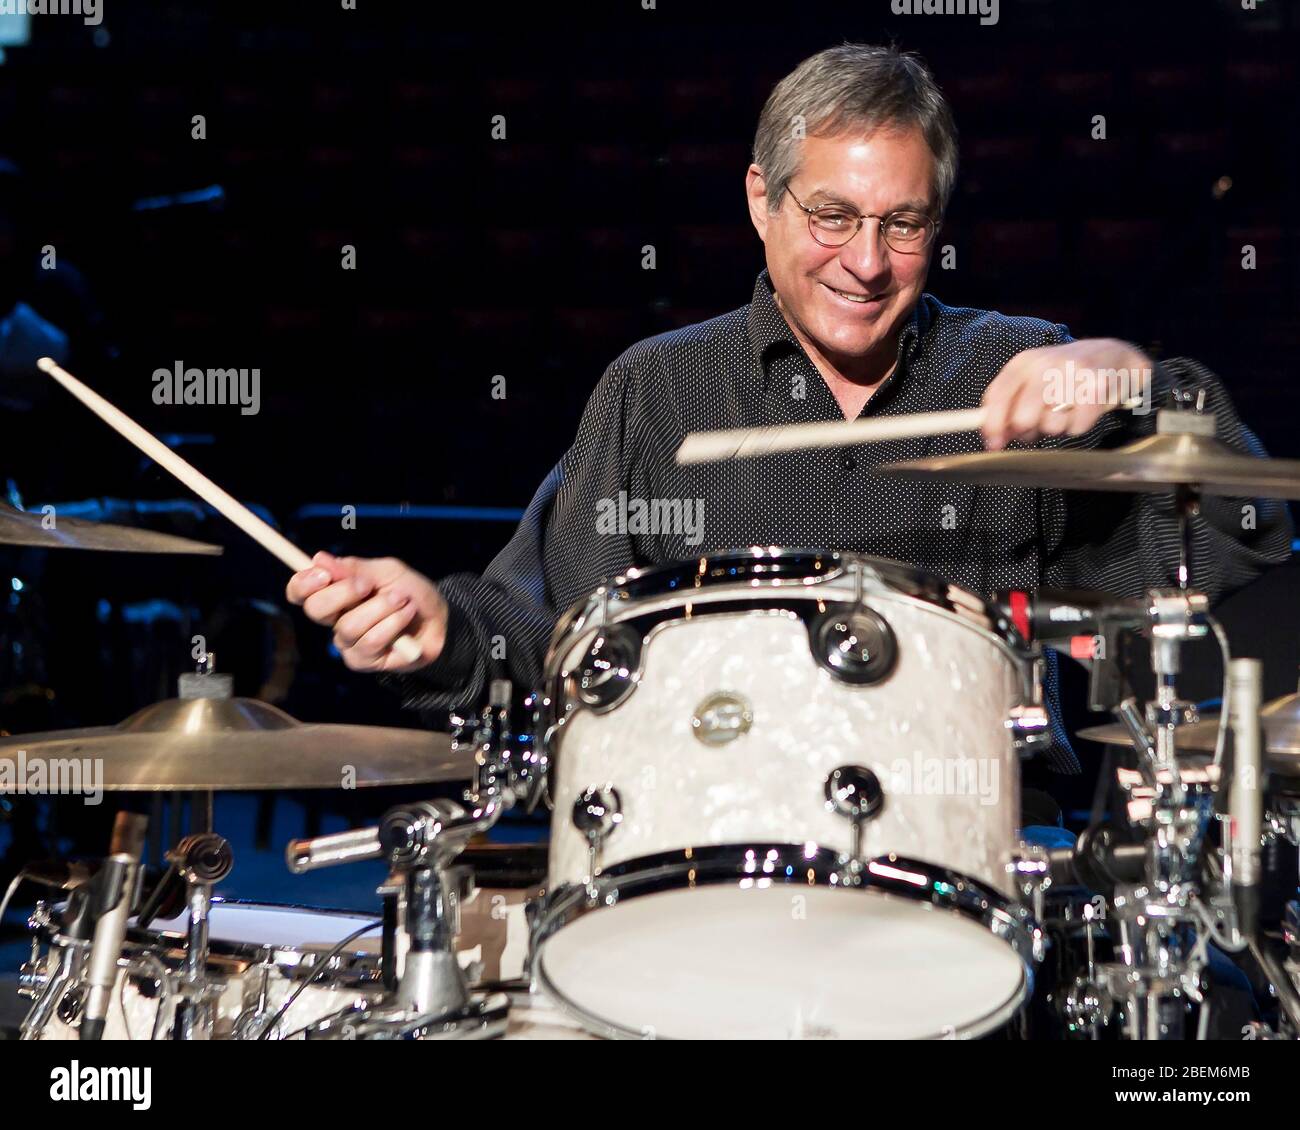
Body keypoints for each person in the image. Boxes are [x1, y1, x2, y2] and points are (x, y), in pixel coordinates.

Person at [286, 44, 1292, 779]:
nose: (864, 261)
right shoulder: (656, 392)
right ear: (761, 200)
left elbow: (1234, 546)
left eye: (901, 224)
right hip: (709, 860)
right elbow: (546, 637)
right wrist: (437, 631)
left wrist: (1137, 383)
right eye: (832, 216)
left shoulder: (1020, 366)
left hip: (979, 875)